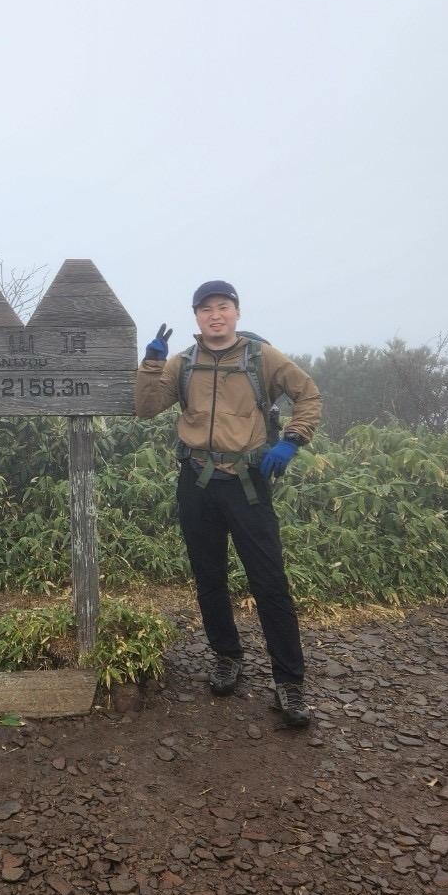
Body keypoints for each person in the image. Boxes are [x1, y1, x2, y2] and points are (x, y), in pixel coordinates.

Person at [134, 280, 322, 727]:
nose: (214, 315)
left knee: (269, 581)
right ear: (195, 317)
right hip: (197, 482)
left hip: (248, 483)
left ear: (236, 312)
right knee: (209, 577)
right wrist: (152, 363)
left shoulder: (261, 358)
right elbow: (144, 408)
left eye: (223, 307)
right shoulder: (182, 363)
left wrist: (293, 440)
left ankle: (290, 683)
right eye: (205, 309)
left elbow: (308, 394)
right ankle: (225, 656)